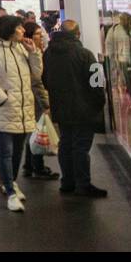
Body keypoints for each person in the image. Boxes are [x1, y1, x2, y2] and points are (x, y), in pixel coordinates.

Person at [0, 14, 42, 212]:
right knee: (5, 151)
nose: (23, 31)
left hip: (22, 108)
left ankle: (10, 182)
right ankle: (11, 193)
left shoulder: (21, 47)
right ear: (10, 31)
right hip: (3, 109)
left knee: (18, 150)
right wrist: (3, 98)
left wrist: (34, 53)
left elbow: (36, 75)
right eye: (20, 28)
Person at [42, 19, 108, 197]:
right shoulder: (86, 54)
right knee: (80, 147)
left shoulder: (48, 53)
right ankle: (83, 184)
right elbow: (97, 83)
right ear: (77, 34)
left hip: (61, 108)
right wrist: (99, 103)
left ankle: (67, 182)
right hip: (83, 109)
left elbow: (45, 80)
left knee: (66, 143)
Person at [22, 17, 58, 181]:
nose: (41, 37)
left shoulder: (34, 52)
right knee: (37, 132)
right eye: (37, 34)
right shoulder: (31, 54)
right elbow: (36, 81)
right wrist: (46, 103)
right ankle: (37, 166)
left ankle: (30, 166)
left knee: (33, 132)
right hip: (34, 98)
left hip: (31, 97)